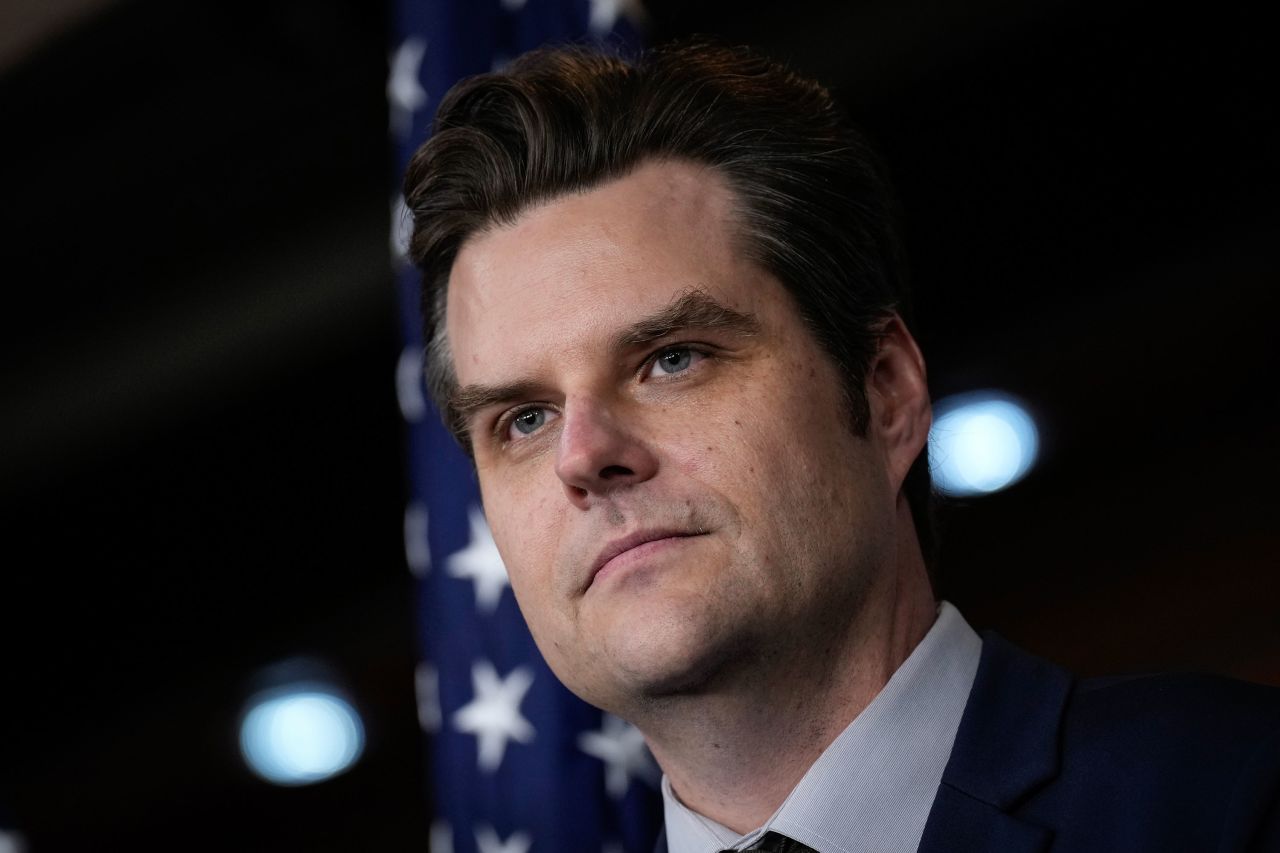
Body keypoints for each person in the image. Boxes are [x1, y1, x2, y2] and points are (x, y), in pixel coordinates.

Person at [402, 42, 1280, 853]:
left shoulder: (1228, 797)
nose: (583, 454)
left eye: (672, 359)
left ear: (887, 391)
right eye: (523, 418)